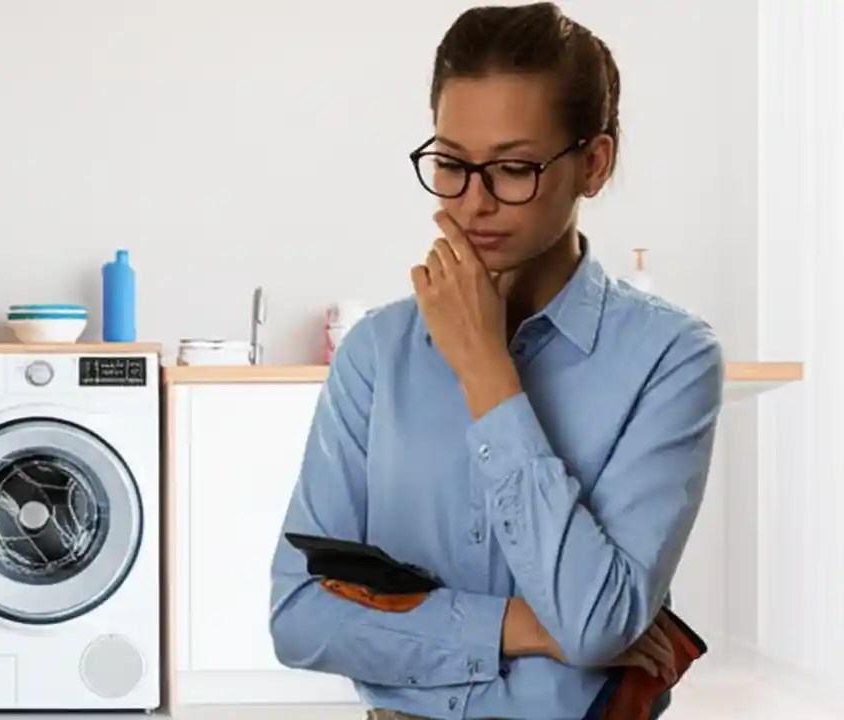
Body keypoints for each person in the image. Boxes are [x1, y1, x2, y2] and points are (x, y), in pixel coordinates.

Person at [268, 3, 724, 719]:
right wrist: (524, 628)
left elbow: (596, 621)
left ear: (594, 165)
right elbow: (299, 616)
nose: (474, 203)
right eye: (451, 164)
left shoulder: (671, 359)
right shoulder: (376, 355)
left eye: (513, 169)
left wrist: (485, 368)